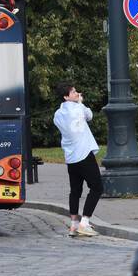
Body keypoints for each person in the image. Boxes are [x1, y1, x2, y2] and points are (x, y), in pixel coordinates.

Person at [53, 82, 102, 238]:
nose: (76, 93)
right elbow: (90, 116)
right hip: (84, 154)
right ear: (66, 96)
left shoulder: (58, 114)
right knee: (97, 187)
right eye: (73, 92)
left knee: (75, 190)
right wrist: (80, 102)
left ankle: (73, 224)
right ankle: (85, 223)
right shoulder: (79, 108)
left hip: (71, 157)